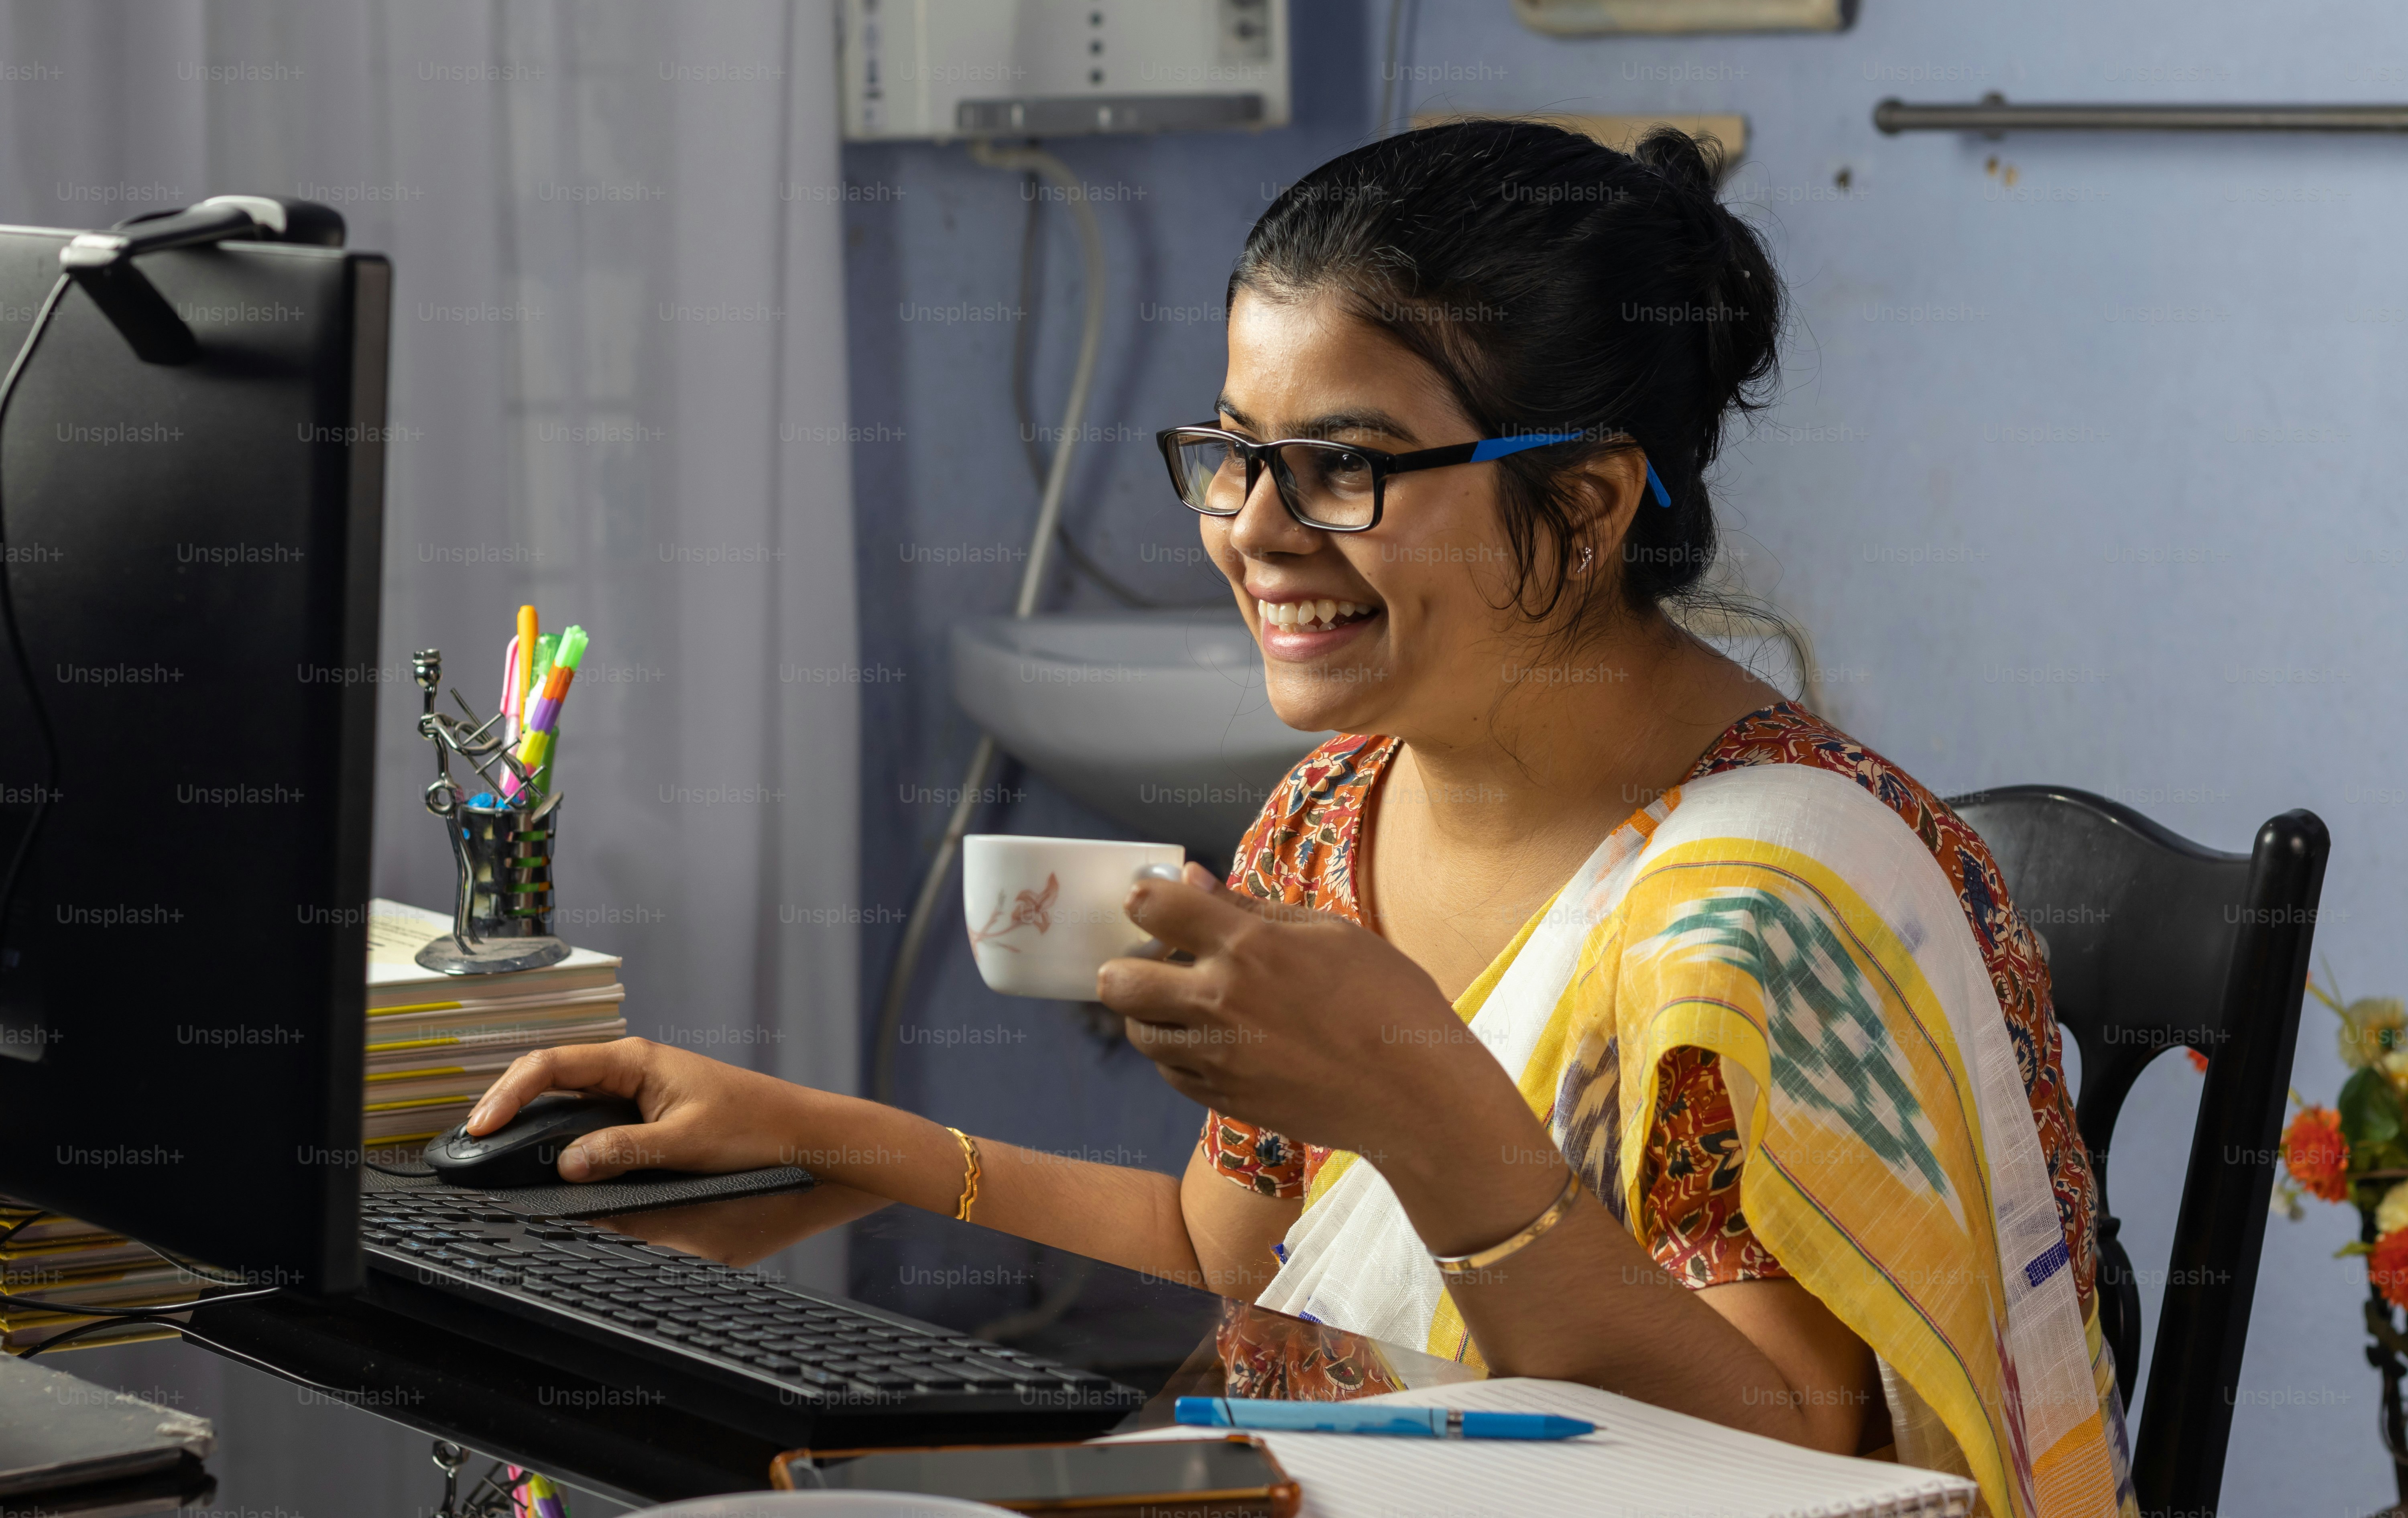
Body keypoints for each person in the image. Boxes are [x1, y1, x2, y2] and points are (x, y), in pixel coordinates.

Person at [467, 121, 2132, 1518]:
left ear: (1595, 499)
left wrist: (1420, 1101)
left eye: (1346, 464)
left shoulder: (1772, 904)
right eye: (1235, 453)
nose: (1256, 528)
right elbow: (1231, 1249)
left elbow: (1779, 1462)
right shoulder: (1336, 808)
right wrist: (828, 1143)